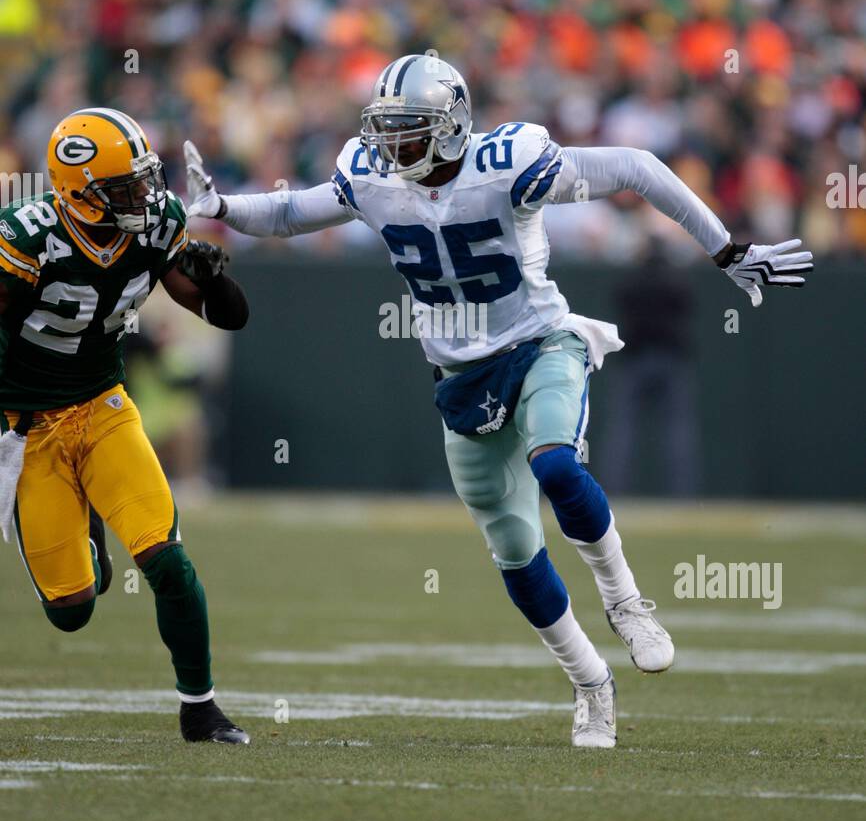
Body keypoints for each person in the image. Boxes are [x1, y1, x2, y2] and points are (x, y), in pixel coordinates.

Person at [185, 56, 813, 748]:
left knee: (555, 464)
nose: (392, 148)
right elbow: (286, 211)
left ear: (452, 128)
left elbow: (636, 165)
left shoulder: (511, 162)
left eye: (410, 131)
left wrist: (726, 252)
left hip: (541, 343)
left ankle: (626, 600)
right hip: (458, 380)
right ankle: (590, 684)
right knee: (515, 551)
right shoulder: (372, 178)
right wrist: (221, 209)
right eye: (387, 131)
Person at [0, 107, 251, 744]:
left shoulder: (153, 223)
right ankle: (83, 526)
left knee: (166, 558)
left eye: (145, 179)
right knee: (71, 612)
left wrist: (213, 277)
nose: (145, 195)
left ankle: (201, 708)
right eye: (125, 187)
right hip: (27, 430)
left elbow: (226, 317)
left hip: (104, 406)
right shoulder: (25, 238)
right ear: (80, 193)